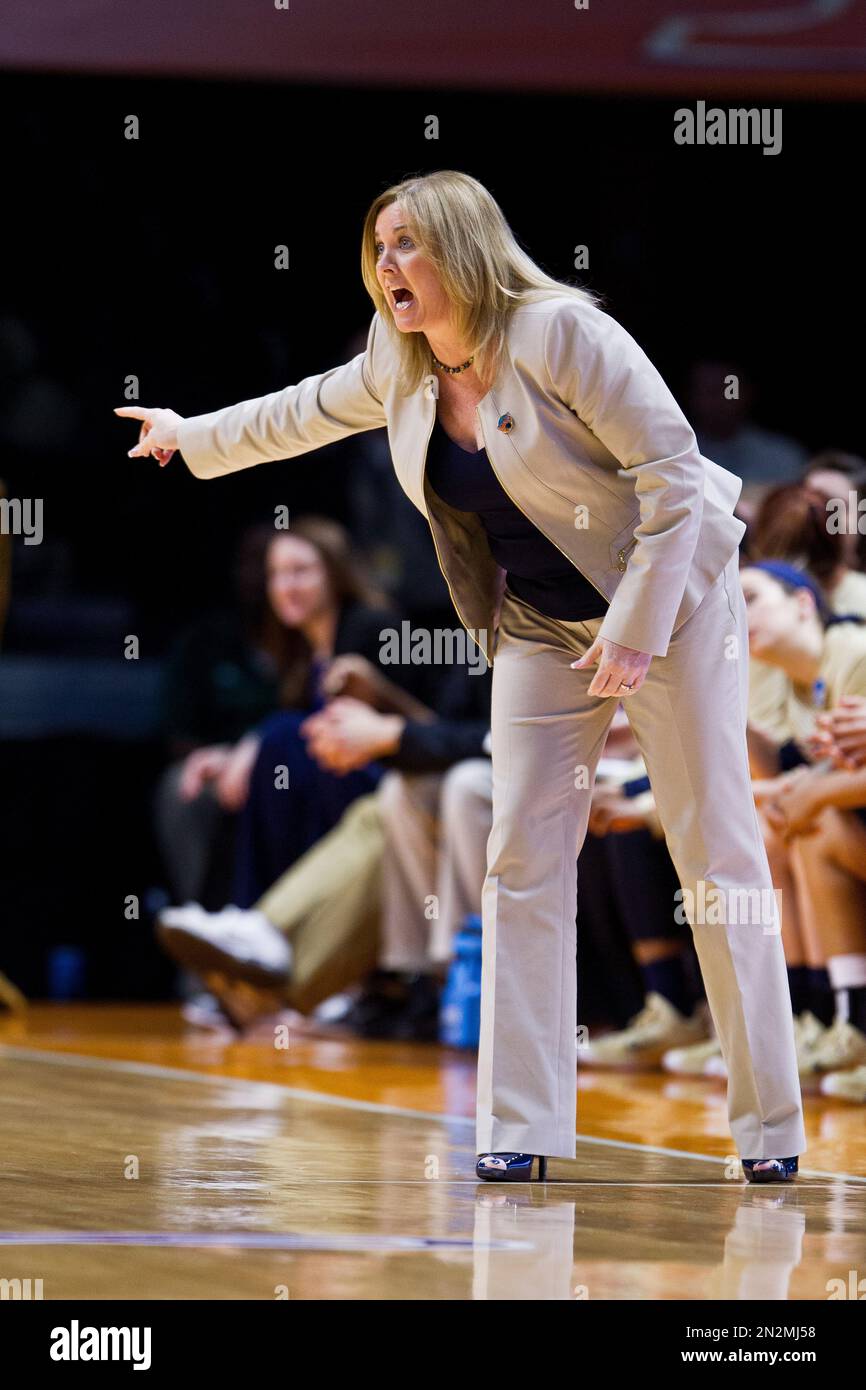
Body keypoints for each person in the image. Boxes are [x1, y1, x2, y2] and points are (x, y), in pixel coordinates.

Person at [115, 168, 805, 1184]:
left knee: (717, 856)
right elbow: (298, 411)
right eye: (379, 248)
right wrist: (190, 436)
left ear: (464, 250)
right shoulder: (401, 366)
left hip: (674, 602)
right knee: (518, 855)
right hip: (534, 622)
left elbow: (675, 485)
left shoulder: (563, 334)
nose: (389, 265)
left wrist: (634, 629)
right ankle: (519, 1124)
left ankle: (769, 1130)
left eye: (408, 245)